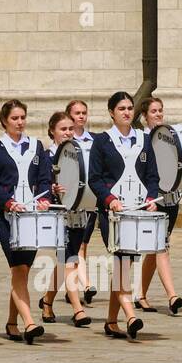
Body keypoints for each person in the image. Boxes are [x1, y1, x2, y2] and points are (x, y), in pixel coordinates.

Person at [88, 91, 162, 340]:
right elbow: (95, 179)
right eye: (121, 108)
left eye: (130, 108)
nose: (127, 112)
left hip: (138, 211)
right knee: (121, 261)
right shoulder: (102, 141)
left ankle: (110, 321)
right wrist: (110, 200)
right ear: (111, 112)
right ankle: (130, 314)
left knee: (126, 263)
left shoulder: (144, 139)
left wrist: (152, 198)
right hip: (113, 213)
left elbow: (152, 175)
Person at [0, 99, 51, 344]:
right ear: (4, 121)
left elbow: (44, 178)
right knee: (18, 269)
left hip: (32, 216)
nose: (20, 122)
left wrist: (45, 198)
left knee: (23, 270)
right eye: (14, 118)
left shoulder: (37, 145)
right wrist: (9, 202)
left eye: (22, 117)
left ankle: (12, 321)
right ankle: (29, 322)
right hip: (8, 217)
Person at [39, 111, 92, 327]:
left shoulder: (79, 152)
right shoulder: (45, 155)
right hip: (57, 212)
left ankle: (47, 301)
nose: (68, 132)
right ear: (52, 131)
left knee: (64, 261)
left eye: (70, 128)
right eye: (63, 129)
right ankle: (77, 309)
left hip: (78, 213)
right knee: (70, 259)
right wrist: (50, 187)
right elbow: (39, 181)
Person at [133, 96, 182, 315]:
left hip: (171, 199)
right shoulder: (142, 139)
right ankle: (172, 295)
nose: (158, 115)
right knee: (160, 246)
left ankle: (140, 294)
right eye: (154, 112)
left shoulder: (170, 137)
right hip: (153, 200)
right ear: (145, 117)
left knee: (155, 250)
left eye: (160, 111)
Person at [66, 99, 99, 304]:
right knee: (73, 247)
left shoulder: (94, 140)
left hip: (89, 197)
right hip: (70, 200)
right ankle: (85, 284)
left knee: (83, 244)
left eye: (84, 112)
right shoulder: (65, 141)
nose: (81, 116)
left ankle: (68, 289)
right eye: (77, 113)